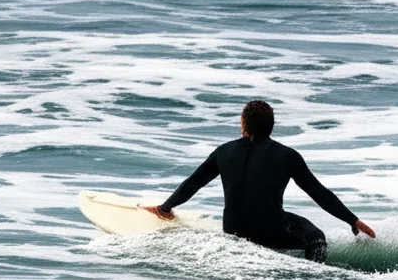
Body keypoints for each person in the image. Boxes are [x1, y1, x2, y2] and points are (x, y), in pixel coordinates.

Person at [145, 100, 375, 263]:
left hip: (234, 228)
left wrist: (166, 208)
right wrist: (351, 220)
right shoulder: (287, 156)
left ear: (243, 123)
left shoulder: (223, 152)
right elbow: (318, 192)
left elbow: (193, 183)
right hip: (269, 228)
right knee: (316, 238)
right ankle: (312, 278)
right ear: (272, 126)